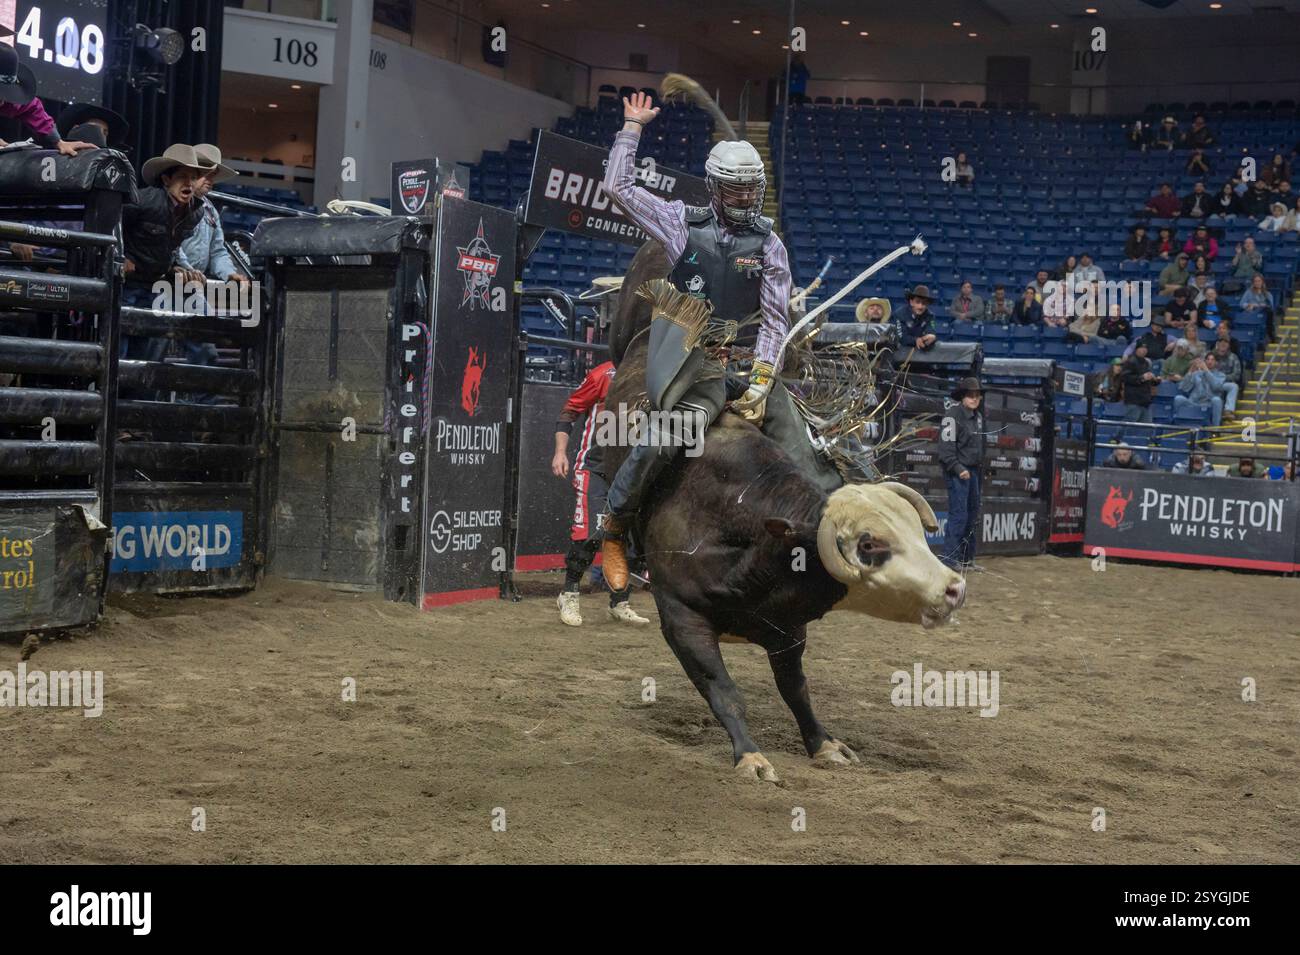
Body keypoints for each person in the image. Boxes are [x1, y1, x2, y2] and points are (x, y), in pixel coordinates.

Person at [597, 91, 791, 590]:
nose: (745, 200)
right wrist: (632, 129)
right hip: (697, 366)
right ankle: (615, 527)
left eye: (752, 191)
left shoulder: (770, 246)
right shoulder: (682, 222)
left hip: (749, 367)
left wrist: (762, 384)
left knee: (807, 444)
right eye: (736, 190)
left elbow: (774, 321)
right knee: (662, 439)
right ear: (715, 188)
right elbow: (618, 188)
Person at [551, 360, 649, 627]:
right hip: (595, 467)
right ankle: (569, 593)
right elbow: (570, 410)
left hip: (629, 470)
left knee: (626, 537)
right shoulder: (604, 373)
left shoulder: (656, 371)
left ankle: (620, 602)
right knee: (590, 534)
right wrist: (560, 452)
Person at [119, 144, 208, 378]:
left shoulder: (195, 212)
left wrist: (173, 265)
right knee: (121, 350)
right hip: (127, 283)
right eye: (182, 177)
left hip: (153, 285)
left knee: (143, 353)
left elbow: (171, 244)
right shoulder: (143, 201)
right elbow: (112, 226)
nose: (188, 184)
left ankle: (132, 407)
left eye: (192, 178)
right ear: (167, 179)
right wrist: (121, 257)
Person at [0, 44, 96, 156]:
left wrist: (58, 142)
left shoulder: (10, 102)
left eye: (5, 95)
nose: (2, 102)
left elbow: (32, 109)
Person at [938, 378, 983, 570]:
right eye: (970, 395)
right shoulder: (952, 416)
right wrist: (958, 468)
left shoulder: (977, 417)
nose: (974, 399)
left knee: (972, 514)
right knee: (960, 514)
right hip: (959, 471)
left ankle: (966, 558)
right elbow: (945, 450)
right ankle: (949, 558)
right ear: (963, 397)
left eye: (977, 395)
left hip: (972, 470)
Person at [1175, 357, 1225, 427]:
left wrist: (1206, 370)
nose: (1210, 361)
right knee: (1178, 399)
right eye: (1208, 359)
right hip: (1194, 403)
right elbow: (1183, 388)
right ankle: (1176, 426)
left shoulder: (1220, 375)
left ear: (1216, 362)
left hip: (1208, 404)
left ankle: (1215, 429)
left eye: (1212, 359)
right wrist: (1190, 371)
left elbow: (1216, 386)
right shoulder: (1196, 374)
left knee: (1217, 400)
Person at [1120, 341, 1160, 425]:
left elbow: (1147, 380)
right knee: (1129, 422)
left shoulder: (1146, 363)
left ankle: (1142, 439)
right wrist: (1141, 378)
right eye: (1142, 348)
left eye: (1145, 348)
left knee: (1147, 425)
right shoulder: (1130, 361)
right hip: (1134, 399)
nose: (1144, 350)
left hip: (1145, 400)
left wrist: (1155, 380)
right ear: (1137, 349)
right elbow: (1125, 377)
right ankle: (1117, 438)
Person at [898, 285, 938, 350]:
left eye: (924, 303)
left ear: (927, 304)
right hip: (900, 354)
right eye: (918, 302)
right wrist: (915, 340)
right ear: (911, 302)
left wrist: (931, 336)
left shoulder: (930, 316)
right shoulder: (900, 314)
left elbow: (931, 330)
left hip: (921, 354)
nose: (920, 306)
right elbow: (900, 337)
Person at [1239, 273, 1275, 340]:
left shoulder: (1268, 294)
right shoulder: (1248, 292)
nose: (1257, 283)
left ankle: (1270, 334)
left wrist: (1260, 305)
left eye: (1259, 281)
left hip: (1263, 314)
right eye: (1255, 281)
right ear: (1253, 283)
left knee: (1269, 312)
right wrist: (1250, 305)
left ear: (1262, 282)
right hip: (1251, 313)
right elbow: (1241, 304)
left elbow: (1271, 306)